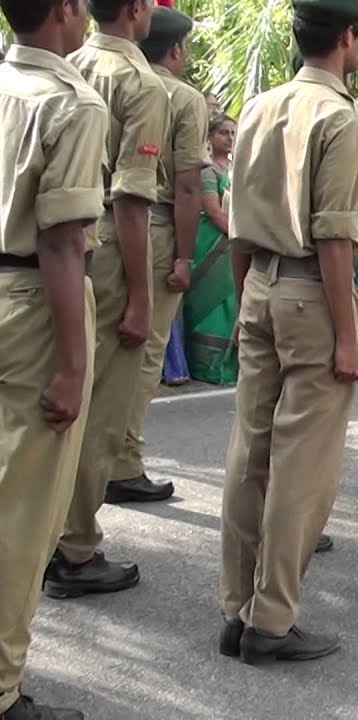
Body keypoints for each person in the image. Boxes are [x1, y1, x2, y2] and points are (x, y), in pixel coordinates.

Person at [217, 0, 358, 665]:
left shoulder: (258, 106)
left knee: (248, 454)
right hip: (314, 292)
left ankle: (236, 607)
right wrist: (347, 335)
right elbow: (336, 236)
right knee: (300, 469)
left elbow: (239, 222)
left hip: (261, 283)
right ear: (349, 37)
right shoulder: (342, 115)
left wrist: (246, 293)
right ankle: (271, 619)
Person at [0, 1, 107, 716]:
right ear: (66, 10)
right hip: (36, 301)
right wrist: (72, 367)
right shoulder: (71, 101)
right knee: (24, 508)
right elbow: (63, 243)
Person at [44, 0, 166, 602]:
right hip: (108, 250)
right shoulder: (140, 82)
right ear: (138, 11)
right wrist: (140, 296)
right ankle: (75, 548)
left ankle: (44, 536)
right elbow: (133, 199)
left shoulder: (64, 61)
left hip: (50, 249)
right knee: (100, 406)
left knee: (54, 398)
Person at [109, 4, 208, 505]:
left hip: (96, 230)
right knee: (144, 355)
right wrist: (184, 259)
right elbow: (189, 186)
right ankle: (121, 463)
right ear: (173, 49)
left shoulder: (90, 66)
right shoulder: (181, 97)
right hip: (155, 226)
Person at [186, 114, 238, 385]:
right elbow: (214, 210)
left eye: (232, 133)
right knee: (210, 305)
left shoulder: (234, 169)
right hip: (212, 242)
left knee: (230, 303)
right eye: (223, 133)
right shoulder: (207, 170)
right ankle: (205, 365)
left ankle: (225, 364)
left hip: (231, 243)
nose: (229, 138)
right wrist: (240, 235)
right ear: (211, 137)